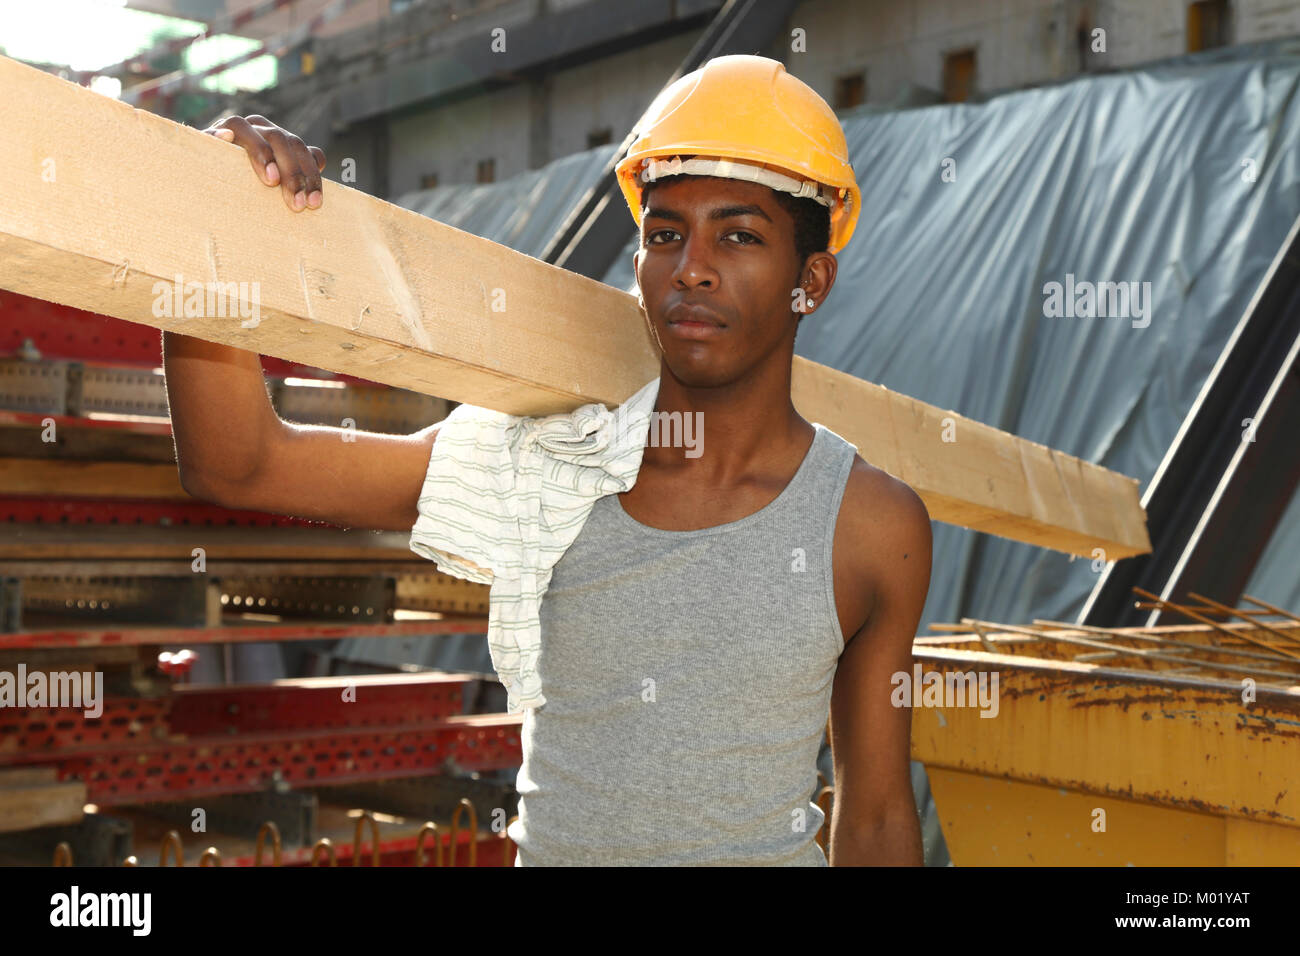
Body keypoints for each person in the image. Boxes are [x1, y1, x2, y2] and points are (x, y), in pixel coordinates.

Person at [165, 54, 932, 865]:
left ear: (810, 279)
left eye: (739, 236)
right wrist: (215, 212)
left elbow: (877, 816)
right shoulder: (550, 463)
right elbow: (237, 464)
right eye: (665, 234)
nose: (691, 267)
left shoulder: (871, 526)